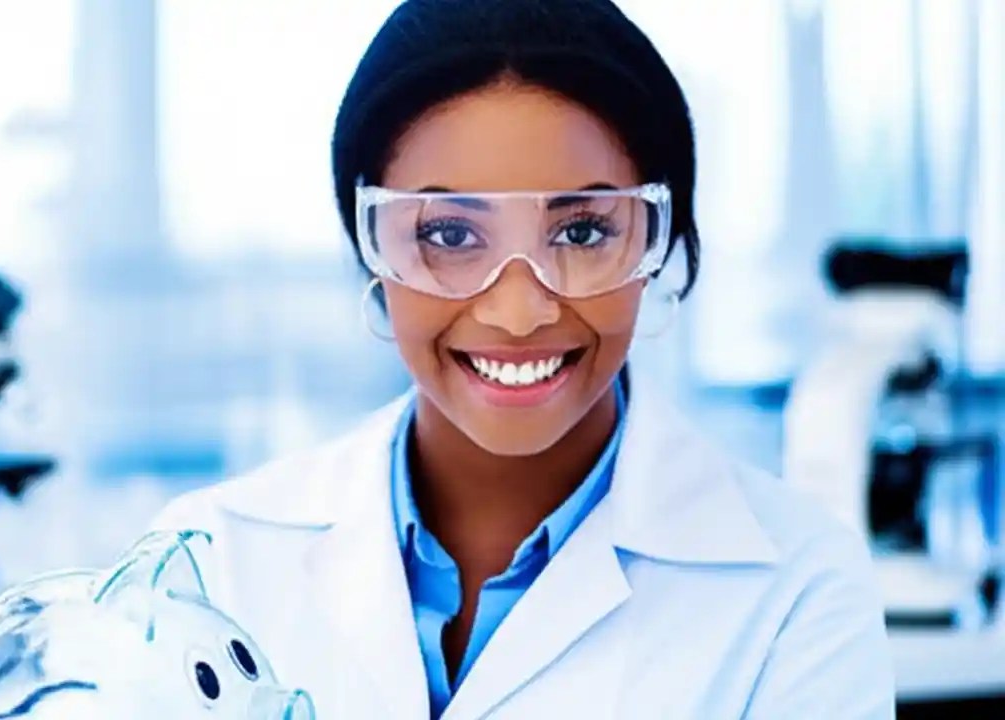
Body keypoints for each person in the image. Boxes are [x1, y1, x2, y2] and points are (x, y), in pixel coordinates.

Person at [152, 1, 895, 718]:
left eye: (580, 234)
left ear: (656, 244)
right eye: (448, 235)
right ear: (372, 245)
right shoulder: (208, 563)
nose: (517, 313)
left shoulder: (799, 592)